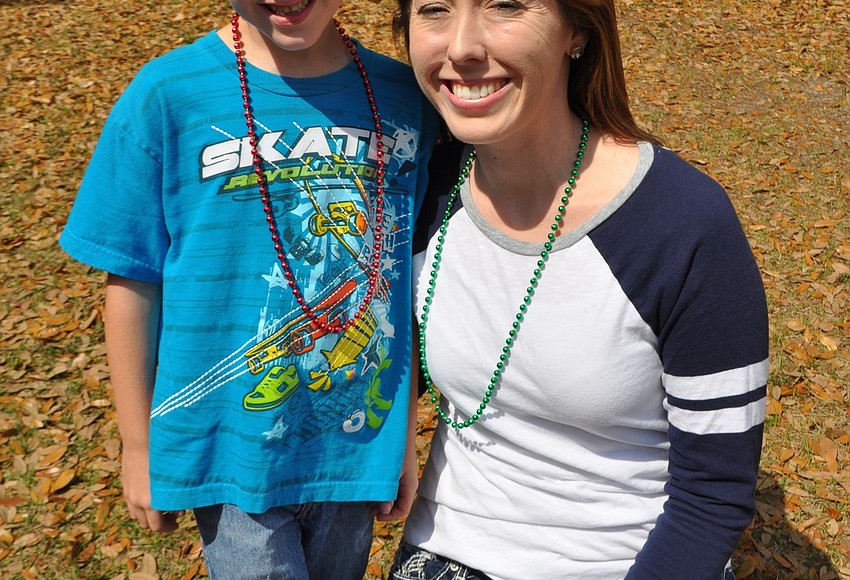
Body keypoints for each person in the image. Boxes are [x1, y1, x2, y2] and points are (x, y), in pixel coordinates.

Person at [389, 0, 768, 579]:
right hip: (446, 552)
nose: (461, 47)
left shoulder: (684, 225)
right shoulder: (422, 190)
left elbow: (712, 499)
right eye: (435, 8)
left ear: (578, 31)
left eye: (505, 5)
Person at [60, 1, 437, 578]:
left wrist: (402, 436)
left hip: (355, 451)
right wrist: (138, 446)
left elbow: (406, 278)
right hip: (232, 454)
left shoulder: (406, 96)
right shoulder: (168, 95)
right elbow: (133, 280)